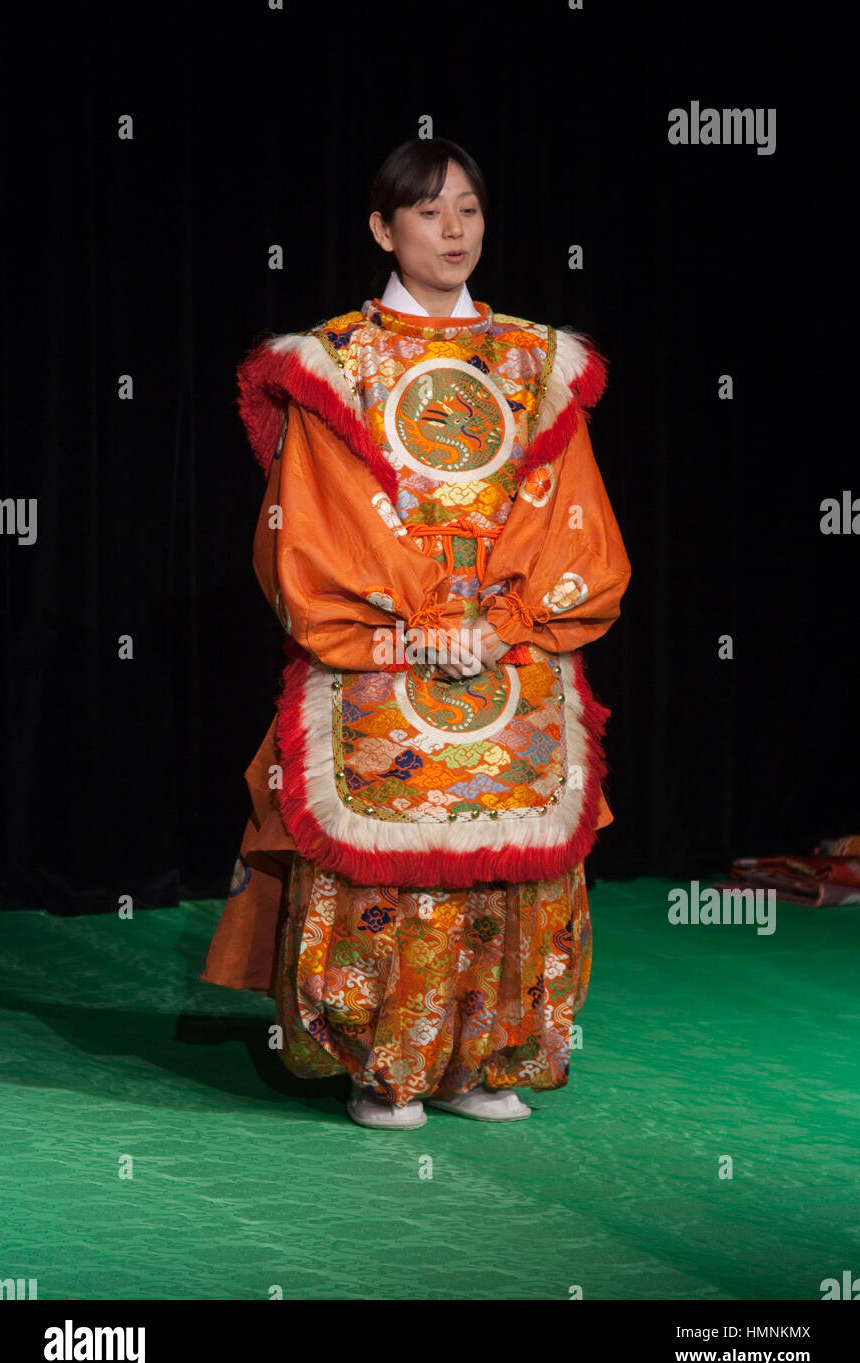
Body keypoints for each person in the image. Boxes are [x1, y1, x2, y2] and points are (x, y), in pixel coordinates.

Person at [201, 138, 631, 1131]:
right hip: (380, 647)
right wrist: (410, 620)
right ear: (380, 227)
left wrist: (505, 620)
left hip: (510, 649)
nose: (453, 231)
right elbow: (314, 515)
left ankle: (487, 1059)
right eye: (429, 212)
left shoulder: (534, 358)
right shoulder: (336, 359)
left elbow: (565, 507)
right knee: (385, 868)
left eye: (469, 210)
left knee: (508, 863)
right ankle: (384, 1064)